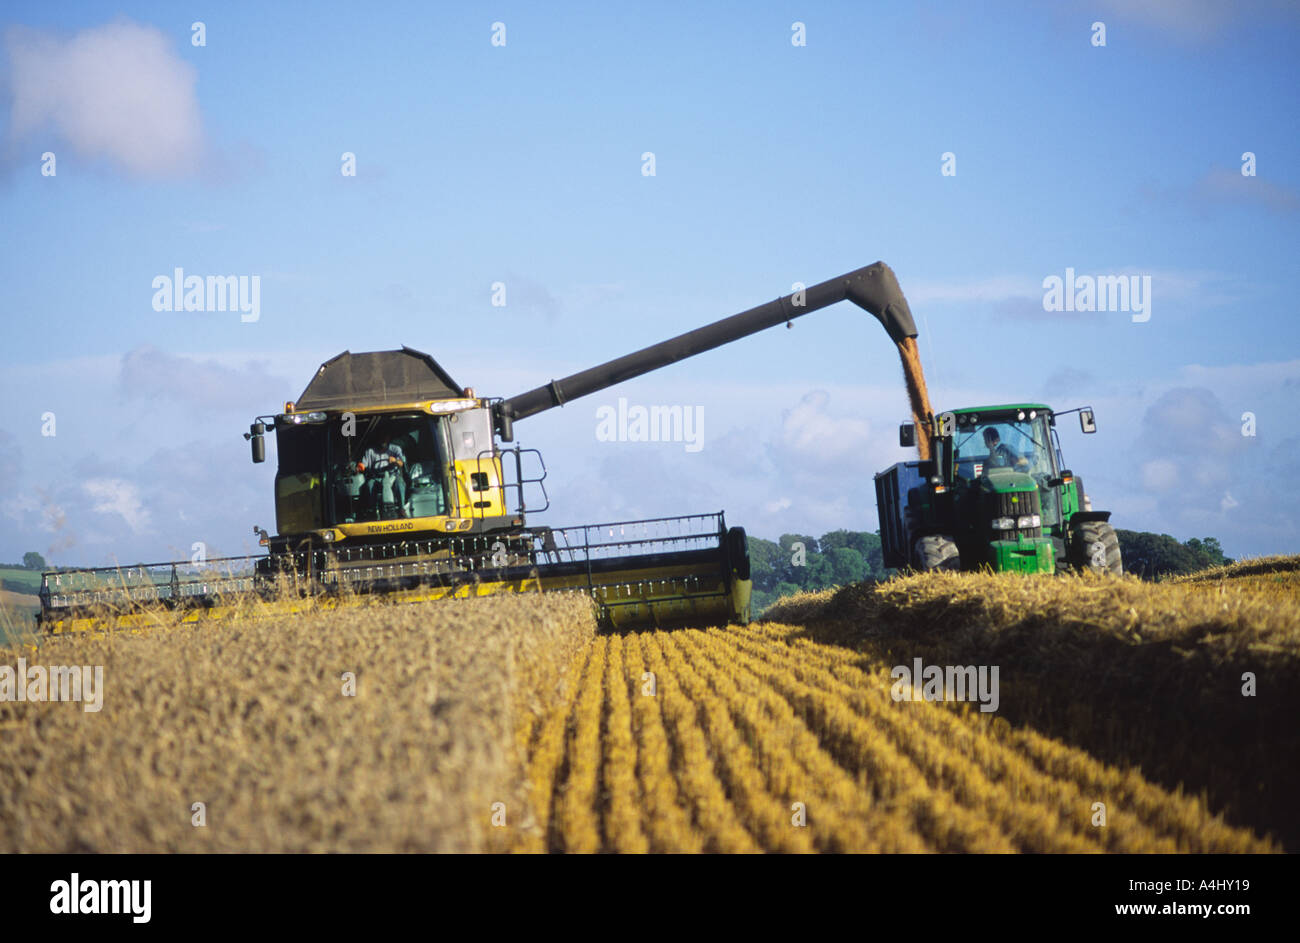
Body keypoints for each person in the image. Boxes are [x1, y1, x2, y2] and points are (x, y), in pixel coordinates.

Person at [356, 438, 408, 517]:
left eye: (385, 437)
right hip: (376, 477)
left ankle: (401, 509)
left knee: (400, 483)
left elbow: (401, 463)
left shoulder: (395, 449)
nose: (383, 441)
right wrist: (359, 467)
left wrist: (395, 461)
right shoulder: (370, 451)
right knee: (370, 485)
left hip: (392, 476)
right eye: (380, 437)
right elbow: (363, 464)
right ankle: (373, 510)